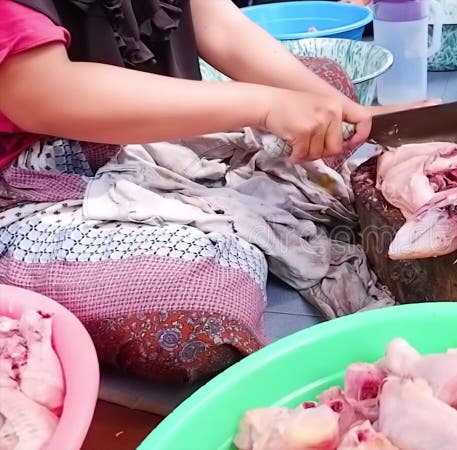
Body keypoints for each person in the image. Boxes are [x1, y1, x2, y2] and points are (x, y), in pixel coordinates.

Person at [0, 0, 430, 383]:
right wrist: (263, 105)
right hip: (35, 177)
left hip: (150, 130)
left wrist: (339, 109)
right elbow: (39, 91)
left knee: (327, 79)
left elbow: (218, 23)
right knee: (202, 309)